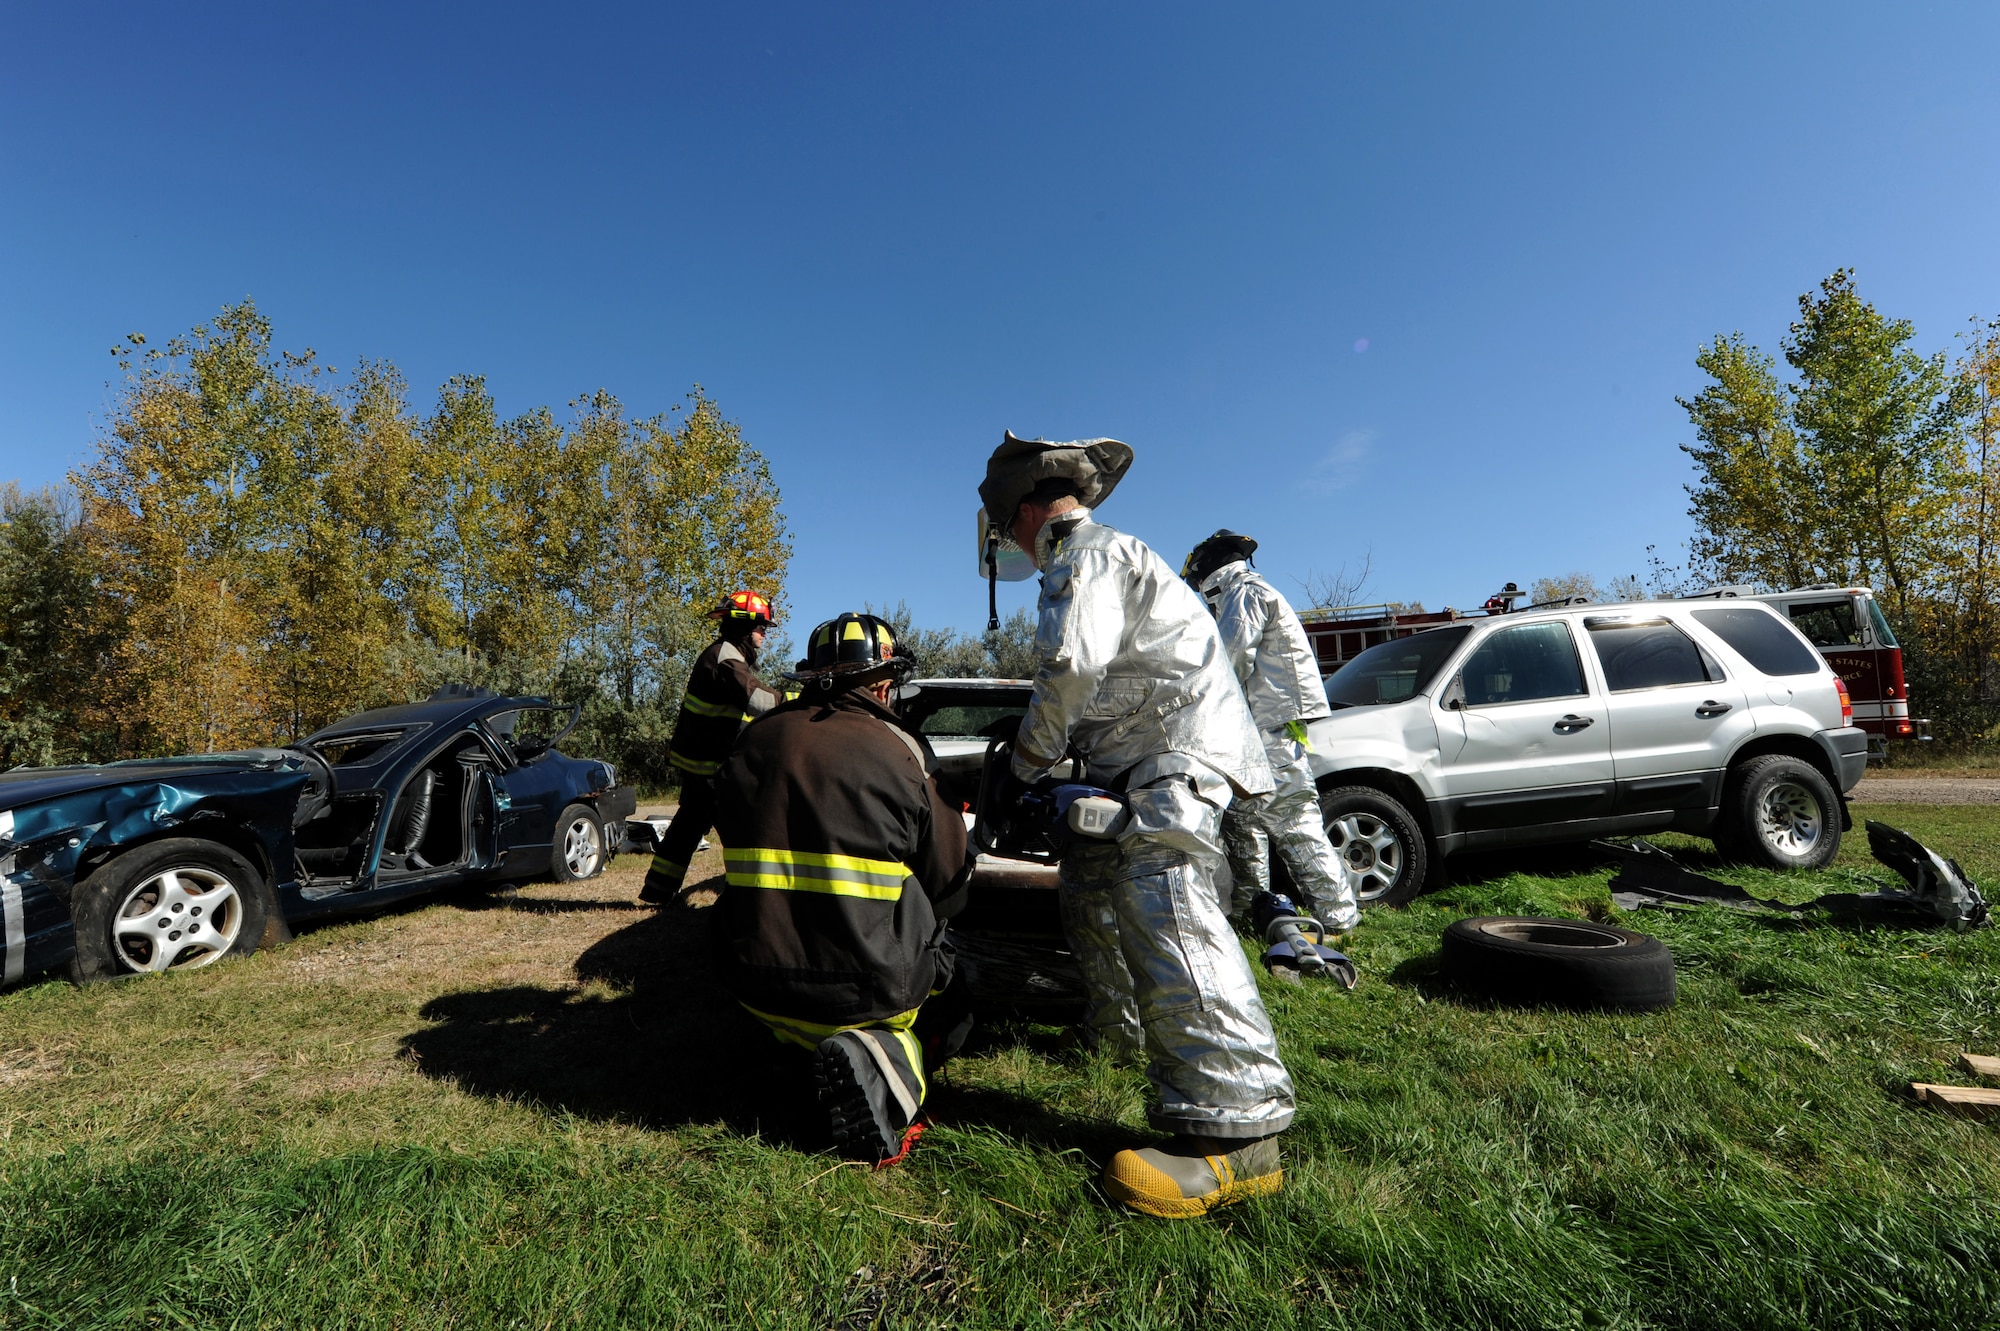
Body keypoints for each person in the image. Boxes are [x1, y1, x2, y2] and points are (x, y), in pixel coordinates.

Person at [979, 430, 1295, 1219]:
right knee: (1092, 884)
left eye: (1009, 532)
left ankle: (1238, 1134)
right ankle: (1116, 1032)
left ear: (1026, 514)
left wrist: (1024, 766)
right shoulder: (1111, 554)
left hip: (1175, 751)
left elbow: (1071, 668)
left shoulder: (1079, 555)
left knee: (1170, 904)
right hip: (1147, 753)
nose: (1014, 547)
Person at [708, 612, 974, 1164]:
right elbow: (948, 884)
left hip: (751, 984)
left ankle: (794, 1055)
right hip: (866, 992)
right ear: (882, 683)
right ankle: (884, 1060)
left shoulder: (752, 741)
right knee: (957, 975)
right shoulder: (902, 748)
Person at [1181, 529, 1360, 936]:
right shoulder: (1246, 591)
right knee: (1243, 823)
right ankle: (1252, 910)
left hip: (1269, 732)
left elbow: (1228, 662)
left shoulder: (1243, 594)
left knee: (1294, 822)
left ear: (1207, 569)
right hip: (1262, 731)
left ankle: (1339, 918)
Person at [640, 590, 784, 905]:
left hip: (698, 758)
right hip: (708, 764)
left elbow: (729, 715)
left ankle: (658, 889)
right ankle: (749, 896)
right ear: (744, 626)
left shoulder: (725, 654)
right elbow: (758, 701)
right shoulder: (727, 656)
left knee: (689, 825)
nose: (764, 633)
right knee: (746, 825)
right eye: (761, 626)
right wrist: (799, 702)